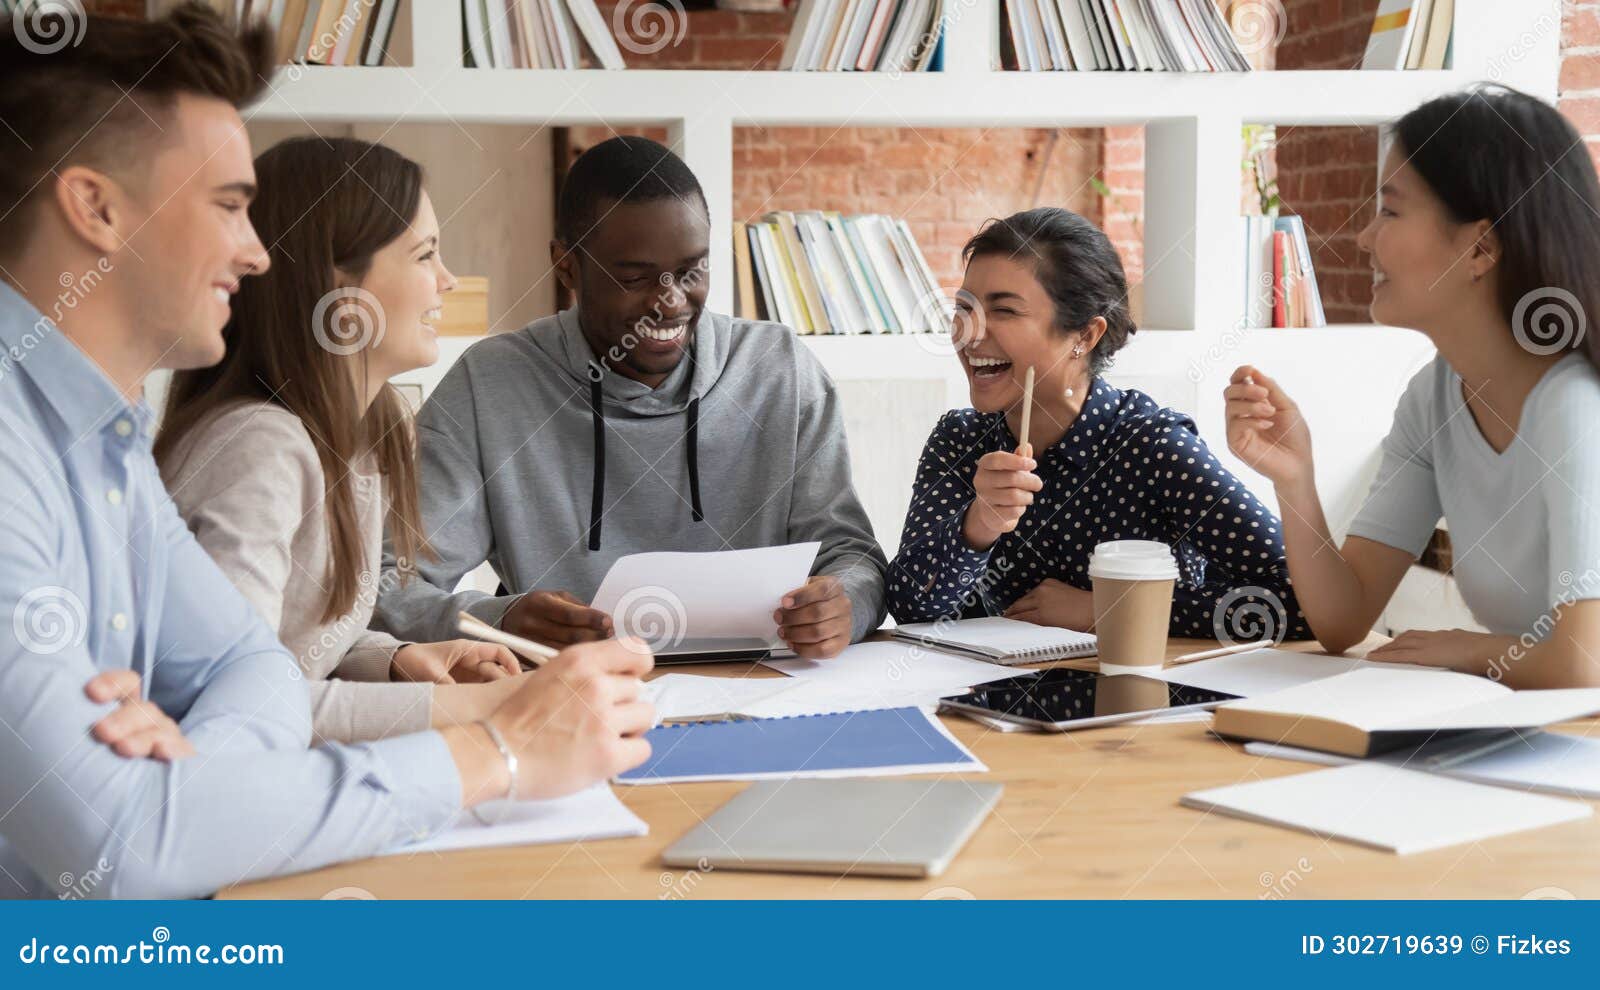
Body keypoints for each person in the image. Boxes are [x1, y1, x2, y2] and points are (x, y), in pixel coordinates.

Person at [0, 3, 650, 900]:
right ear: (97, 208)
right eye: (229, 206)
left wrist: (196, 782)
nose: (257, 254)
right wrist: (493, 751)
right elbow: (119, 851)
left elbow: (254, 666)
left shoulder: (105, 439)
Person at [372, 136, 887, 661]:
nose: (671, 302)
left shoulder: (779, 368)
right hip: (576, 693)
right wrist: (498, 621)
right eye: (634, 278)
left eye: (691, 271)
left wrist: (845, 604)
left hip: (765, 684)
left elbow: (853, 556)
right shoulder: (488, 386)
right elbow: (387, 586)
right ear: (566, 267)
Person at [155, 136, 527, 745]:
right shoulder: (258, 450)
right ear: (339, 289)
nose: (448, 280)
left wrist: (396, 660)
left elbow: (300, 644)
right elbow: (232, 702)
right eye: (425, 255)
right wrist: (469, 708)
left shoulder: (366, 433)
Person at [1225, 86, 1600, 688]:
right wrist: (1295, 480)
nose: (1363, 238)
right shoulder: (1434, 398)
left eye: (1391, 212)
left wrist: (1466, 649)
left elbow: (1586, 664)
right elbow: (1344, 619)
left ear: (1480, 247)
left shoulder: (1575, 405)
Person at [887, 207, 1309, 642]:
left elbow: (1300, 601)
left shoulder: (1153, 446)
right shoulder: (958, 440)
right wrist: (978, 525)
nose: (970, 332)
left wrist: (1109, 608)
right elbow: (909, 608)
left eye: (1005, 310)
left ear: (1085, 336)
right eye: (965, 307)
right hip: (988, 686)